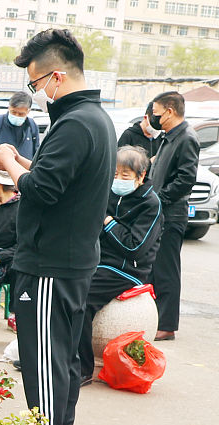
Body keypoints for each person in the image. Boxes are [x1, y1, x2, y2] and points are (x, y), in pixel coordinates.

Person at [0, 28, 115, 425]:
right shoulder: (94, 119)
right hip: (71, 262)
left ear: (56, 78)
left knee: (43, 364)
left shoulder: (74, 123)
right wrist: (21, 161)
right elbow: (63, 182)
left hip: (50, 265)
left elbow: (42, 190)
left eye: (35, 84)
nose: (36, 93)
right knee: (58, 358)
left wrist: (9, 164)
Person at [77, 145, 163, 381]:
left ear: (141, 176)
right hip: (96, 261)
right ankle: (55, 356)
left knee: (80, 300)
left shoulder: (150, 204)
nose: (118, 180)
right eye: (114, 175)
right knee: (63, 289)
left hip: (127, 270)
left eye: (125, 176)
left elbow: (135, 247)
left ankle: (82, 368)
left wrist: (108, 222)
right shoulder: (108, 193)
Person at [147, 90, 199, 341]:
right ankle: (154, 318)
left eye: (156, 112)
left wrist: (160, 199)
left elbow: (186, 179)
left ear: (169, 111)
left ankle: (167, 325)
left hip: (171, 213)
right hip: (159, 211)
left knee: (166, 269)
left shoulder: (186, 138)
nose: (154, 117)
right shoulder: (169, 137)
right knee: (154, 269)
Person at [0, 92, 40, 160]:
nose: (16, 116)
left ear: (28, 111)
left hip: (24, 169)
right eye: (13, 112)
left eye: (21, 114)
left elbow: (36, 154)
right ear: (9, 107)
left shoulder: (32, 126)